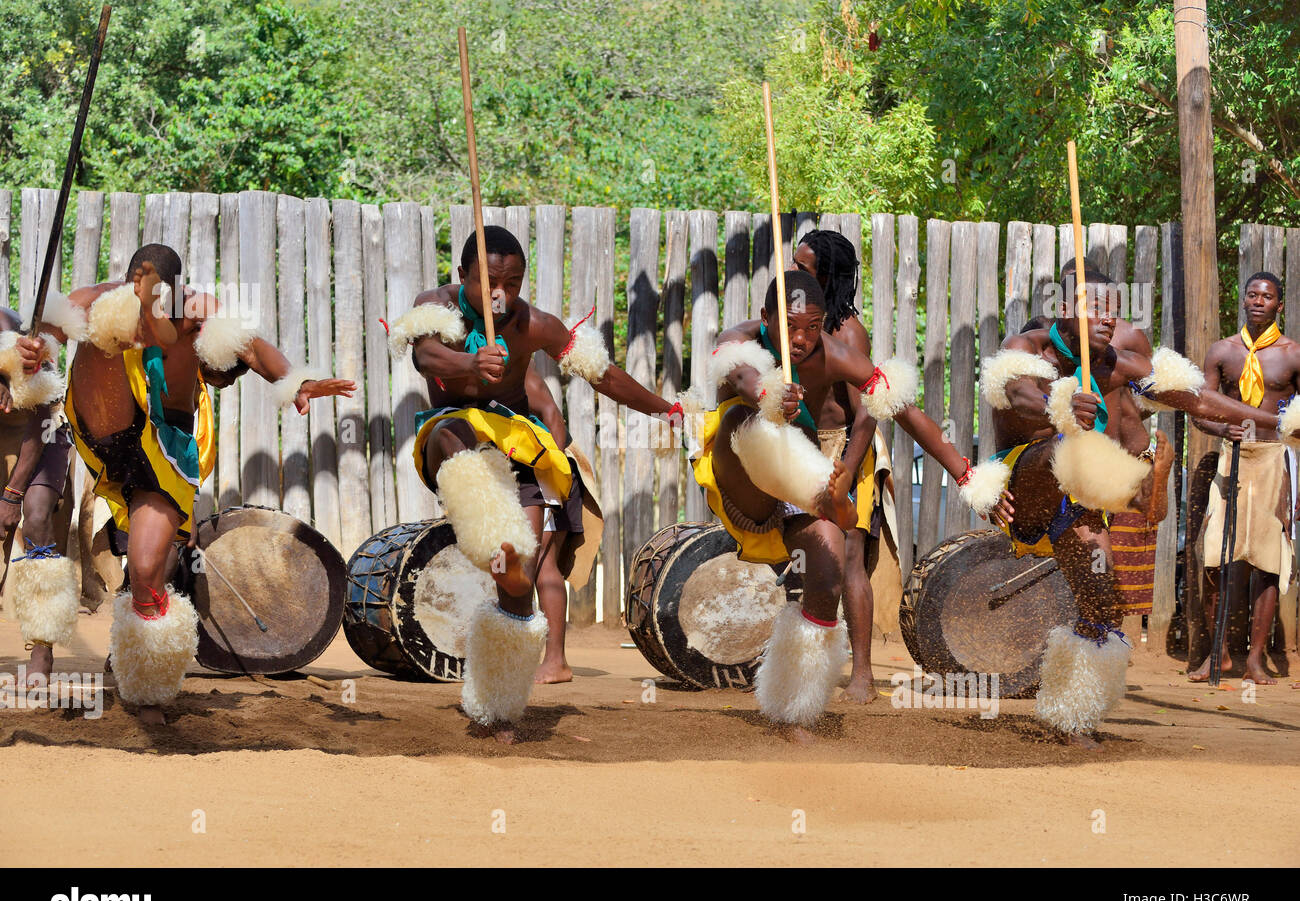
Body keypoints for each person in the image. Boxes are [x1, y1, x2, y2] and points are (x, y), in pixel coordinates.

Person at [16, 243, 354, 724]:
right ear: (134, 278)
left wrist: (294, 382)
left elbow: (251, 348)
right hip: (105, 443)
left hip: (163, 454)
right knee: (96, 332)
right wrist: (33, 350)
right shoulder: (92, 301)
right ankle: (44, 651)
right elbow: (41, 340)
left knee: (148, 566)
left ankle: (147, 683)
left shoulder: (198, 312)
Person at [979, 263, 1291, 747]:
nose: (1107, 321)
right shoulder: (1028, 349)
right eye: (1094, 310)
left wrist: (1278, 424)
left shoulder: (1113, 364)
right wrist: (1058, 408)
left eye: (1113, 313)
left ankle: (1071, 717)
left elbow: (1201, 400)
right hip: (1025, 484)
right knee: (1061, 448)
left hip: (1077, 500)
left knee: (1105, 601)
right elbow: (1019, 393)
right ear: (1064, 309)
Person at [387, 225, 677, 743]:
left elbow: (602, 374)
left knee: (518, 584)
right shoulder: (434, 306)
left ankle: (498, 711)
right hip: (453, 433)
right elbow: (426, 357)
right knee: (454, 430)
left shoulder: (534, 324)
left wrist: (666, 409)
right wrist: (468, 362)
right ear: (463, 276)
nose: (501, 294)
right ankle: (483, 520)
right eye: (489, 282)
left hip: (520, 446)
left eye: (513, 282)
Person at [693, 270, 1012, 739]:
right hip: (740, 474)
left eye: (811, 327)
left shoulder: (838, 355)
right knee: (747, 415)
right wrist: (767, 392)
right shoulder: (737, 341)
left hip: (796, 480)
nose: (800, 339)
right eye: (789, 326)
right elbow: (741, 376)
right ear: (765, 318)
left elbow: (904, 411)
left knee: (828, 569)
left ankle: (793, 709)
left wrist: (968, 476)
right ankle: (829, 499)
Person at [792, 229, 900, 703]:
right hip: (805, 447)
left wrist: (845, 473)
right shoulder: (796, 323)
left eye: (804, 269)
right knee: (808, 557)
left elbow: (868, 410)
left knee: (850, 560)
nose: (794, 276)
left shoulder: (847, 331)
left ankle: (862, 674)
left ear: (829, 277)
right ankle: (803, 665)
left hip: (846, 449)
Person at [1189, 271, 1300, 685]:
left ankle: (1255, 658)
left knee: (1268, 562)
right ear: (1243, 300)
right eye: (1252, 294)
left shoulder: (1292, 355)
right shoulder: (1222, 351)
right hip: (1231, 460)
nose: (1258, 301)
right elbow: (1200, 411)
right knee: (1217, 555)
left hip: (1275, 459)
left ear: (1278, 305)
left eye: (1267, 296)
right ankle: (1218, 653)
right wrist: (1222, 430)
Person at [0, 304, 76, 685]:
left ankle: (43, 644)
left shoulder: (26, 352)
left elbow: (41, 423)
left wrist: (12, 494)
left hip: (41, 436)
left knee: (36, 515)